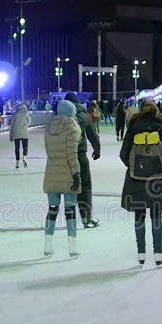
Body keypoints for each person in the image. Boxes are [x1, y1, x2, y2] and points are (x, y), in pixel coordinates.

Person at [120, 101, 162, 267]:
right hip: (156, 181)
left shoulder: (133, 127)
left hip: (135, 179)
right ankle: (158, 255)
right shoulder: (160, 128)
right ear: (155, 112)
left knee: (139, 216)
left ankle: (141, 254)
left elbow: (123, 154)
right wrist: (160, 163)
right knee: (156, 217)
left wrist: (135, 166)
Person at [43, 100, 82, 257]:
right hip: (68, 175)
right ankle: (72, 247)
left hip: (51, 173)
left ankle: (48, 245)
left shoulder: (49, 127)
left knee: (52, 209)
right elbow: (71, 154)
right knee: (70, 210)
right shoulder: (72, 128)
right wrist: (77, 174)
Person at [64, 93, 101, 228]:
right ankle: (86, 217)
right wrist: (97, 149)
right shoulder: (84, 115)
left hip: (64, 157)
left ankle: (70, 220)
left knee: (68, 188)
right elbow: (92, 134)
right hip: (80, 155)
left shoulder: (60, 116)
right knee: (85, 186)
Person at [10, 103, 31, 168]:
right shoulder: (26, 113)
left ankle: (17, 163)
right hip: (24, 132)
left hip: (16, 132)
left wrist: (11, 135)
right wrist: (25, 125)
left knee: (17, 148)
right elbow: (29, 122)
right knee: (25, 146)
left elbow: (12, 125)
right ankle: (24, 157)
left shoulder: (15, 114)